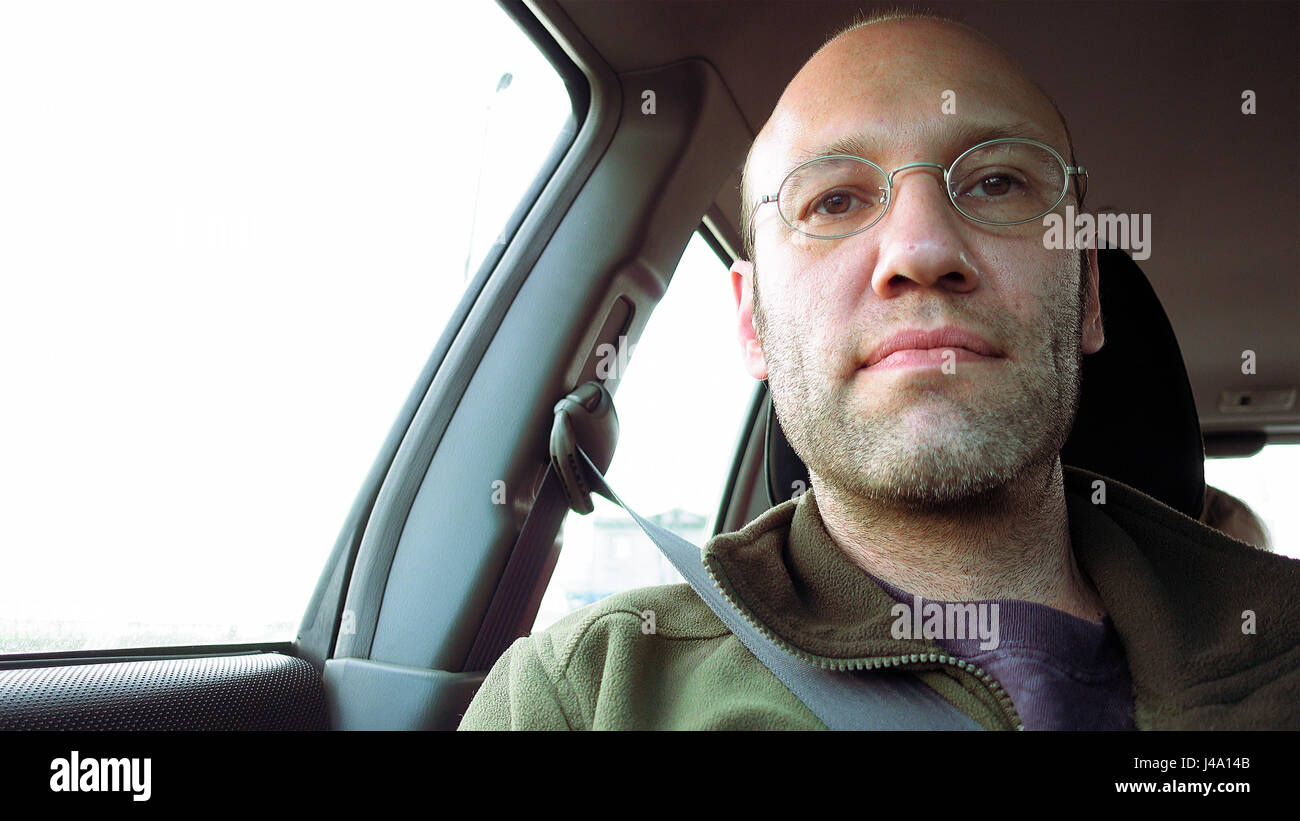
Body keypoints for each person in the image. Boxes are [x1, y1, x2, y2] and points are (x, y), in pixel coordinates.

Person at [458, 11, 1300, 730]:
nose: (922, 250)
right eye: (834, 199)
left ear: (1085, 293)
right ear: (752, 322)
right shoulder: (587, 696)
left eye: (997, 181)